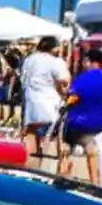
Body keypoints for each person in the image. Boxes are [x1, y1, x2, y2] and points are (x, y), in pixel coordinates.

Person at [59, 49, 102, 186]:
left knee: (67, 147)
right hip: (99, 123)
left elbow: (74, 96)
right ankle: (95, 182)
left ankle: (63, 177)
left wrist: (65, 106)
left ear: (89, 62)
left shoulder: (84, 78)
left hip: (77, 122)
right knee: (91, 147)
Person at [20, 36, 70, 168]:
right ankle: (62, 168)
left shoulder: (29, 60)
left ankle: (30, 165)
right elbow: (65, 80)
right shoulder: (56, 62)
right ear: (54, 48)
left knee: (31, 132)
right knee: (61, 135)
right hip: (51, 102)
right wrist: (62, 90)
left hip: (32, 101)